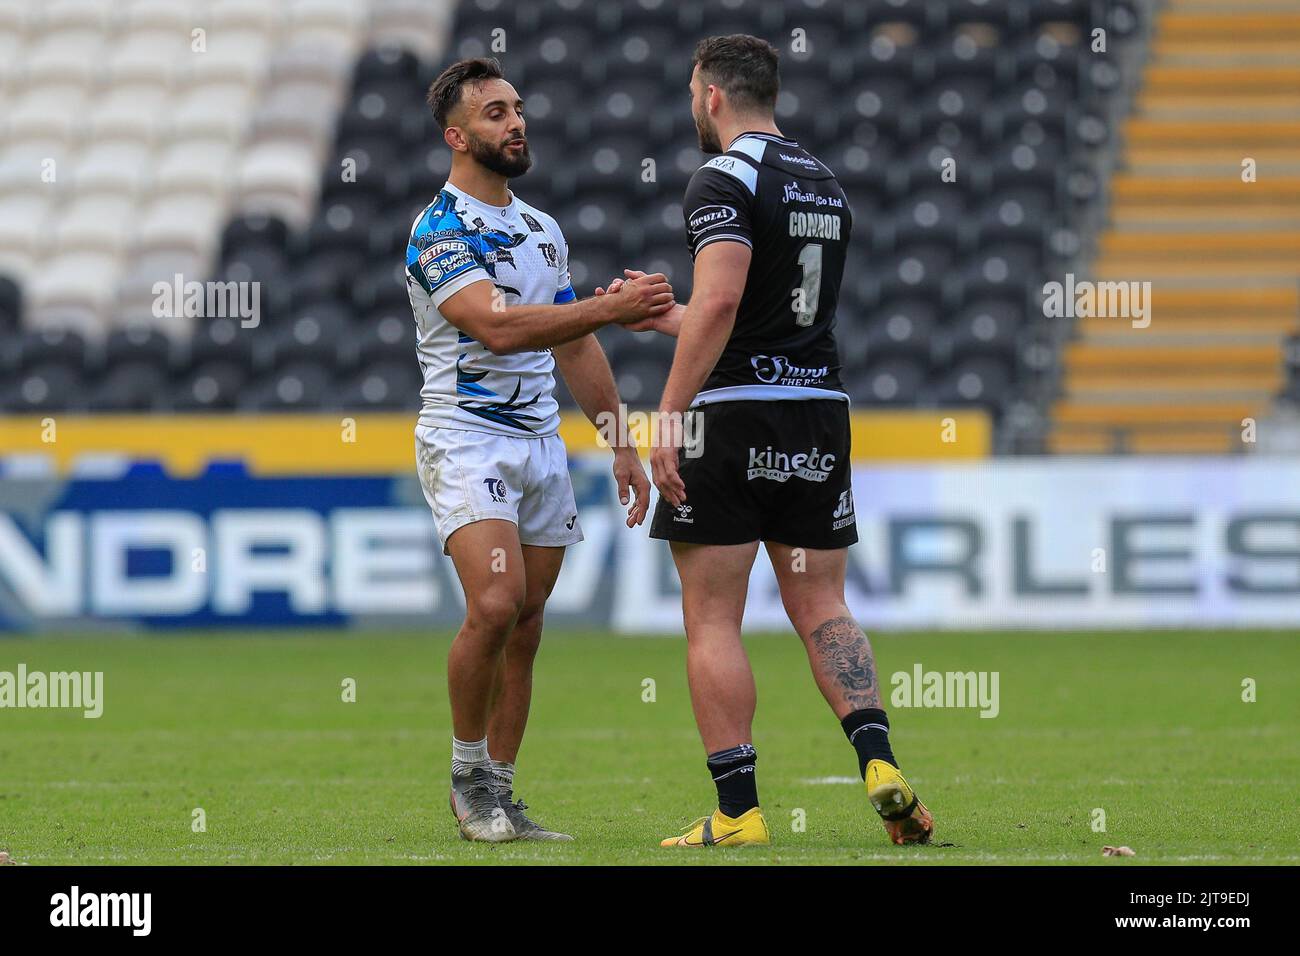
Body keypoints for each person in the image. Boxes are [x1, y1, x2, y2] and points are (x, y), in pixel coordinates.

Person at [602, 35, 934, 849]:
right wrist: (665, 319)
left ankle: (738, 812)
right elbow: (763, 320)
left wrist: (668, 416)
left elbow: (718, 307)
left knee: (712, 616)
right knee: (821, 601)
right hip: (817, 408)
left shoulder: (722, 177)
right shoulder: (823, 181)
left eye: (691, 92)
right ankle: (880, 763)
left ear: (711, 95)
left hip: (733, 416)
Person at [408, 57, 674, 842]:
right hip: (466, 440)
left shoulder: (541, 231)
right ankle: (465, 780)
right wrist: (610, 305)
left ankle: (501, 793)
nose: (515, 121)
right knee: (492, 606)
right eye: (494, 113)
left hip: (540, 445)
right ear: (456, 136)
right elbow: (493, 326)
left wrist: (620, 443)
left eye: (517, 108)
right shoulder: (438, 229)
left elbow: (575, 346)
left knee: (526, 621)